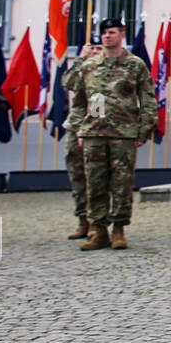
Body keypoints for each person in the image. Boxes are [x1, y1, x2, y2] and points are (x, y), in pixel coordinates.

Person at [69, 18, 155, 251]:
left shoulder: (135, 65)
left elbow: (148, 99)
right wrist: (79, 129)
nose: (107, 36)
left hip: (123, 133)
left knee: (122, 183)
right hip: (94, 133)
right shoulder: (89, 66)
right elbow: (78, 101)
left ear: (121, 34)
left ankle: (118, 229)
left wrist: (144, 129)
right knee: (94, 183)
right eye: (104, 33)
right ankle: (98, 230)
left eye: (112, 32)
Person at [62, 42, 101, 239]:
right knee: (77, 176)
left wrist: (88, 129)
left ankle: (96, 222)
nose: (94, 52)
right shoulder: (81, 69)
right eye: (91, 48)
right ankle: (82, 220)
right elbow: (67, 82)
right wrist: (79, 58)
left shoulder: (103, 71)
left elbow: (98, 104)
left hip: (95, 129)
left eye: (98, 48)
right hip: (75, 126)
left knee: (96, 178)